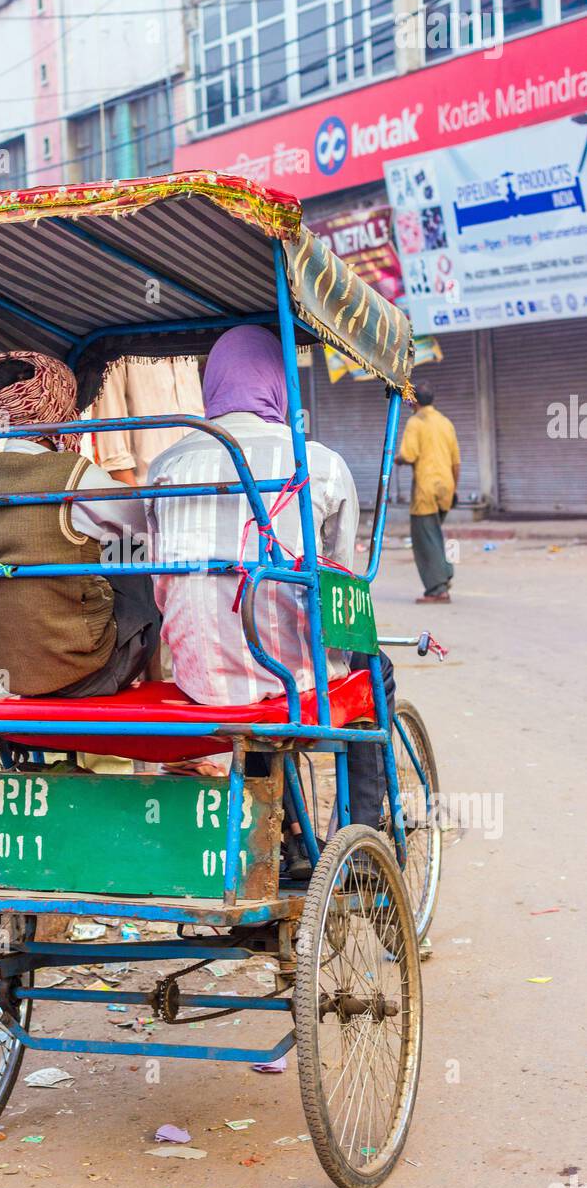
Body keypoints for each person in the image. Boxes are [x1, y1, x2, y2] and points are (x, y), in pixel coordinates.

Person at [146, 324, 395, 831]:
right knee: (375, 670)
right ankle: (365, 829)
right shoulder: (318, 461)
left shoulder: (164, 465)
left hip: (200, 678)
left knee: (237, 653)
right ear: (280, 384)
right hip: (293, 677)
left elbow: (159, 576)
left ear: (211, 384)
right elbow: (343, 580)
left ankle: (280, 832)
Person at [0, 350, 160, 698]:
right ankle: (168, 676)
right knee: (137, 552)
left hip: (15, 676)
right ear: (56, 407)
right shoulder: (74, 476)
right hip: (91, 670)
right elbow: (142, 525)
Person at [91, 355, 203, 485]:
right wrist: (138, 501)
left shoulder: (188, 350)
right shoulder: (118, 353)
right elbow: (114, 454)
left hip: (201, 479)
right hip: (151, 490)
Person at [396, 381, 460, 603]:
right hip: (446, 486)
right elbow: (456, 462)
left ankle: (437, 589)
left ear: (414, 401)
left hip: (425, 488)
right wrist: (454, 489)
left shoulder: (416, 422)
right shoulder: (445, 422)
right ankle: (445, 572)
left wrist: (397, 458)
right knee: (433, 533)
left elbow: (409, 454)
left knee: (424, 538)